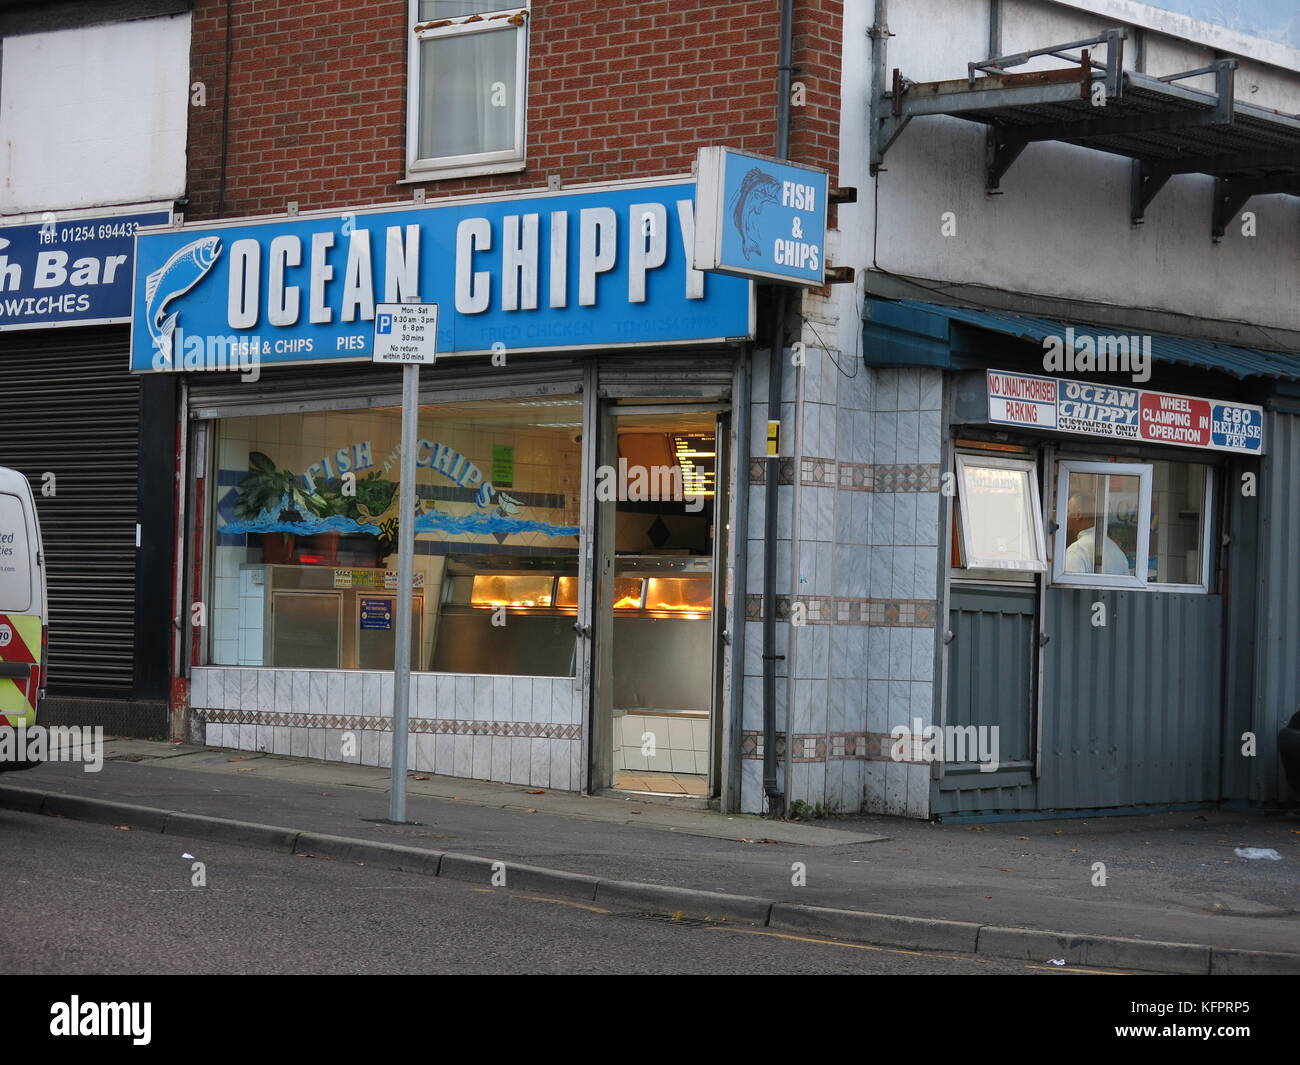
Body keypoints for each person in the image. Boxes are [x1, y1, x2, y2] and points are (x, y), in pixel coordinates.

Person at [1063, 487, 1130, 575]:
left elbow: (1069, 587)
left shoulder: (1077, 550)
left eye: (1068, 511)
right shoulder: (1118, 552)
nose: (1066, 517)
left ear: (1078, 515)